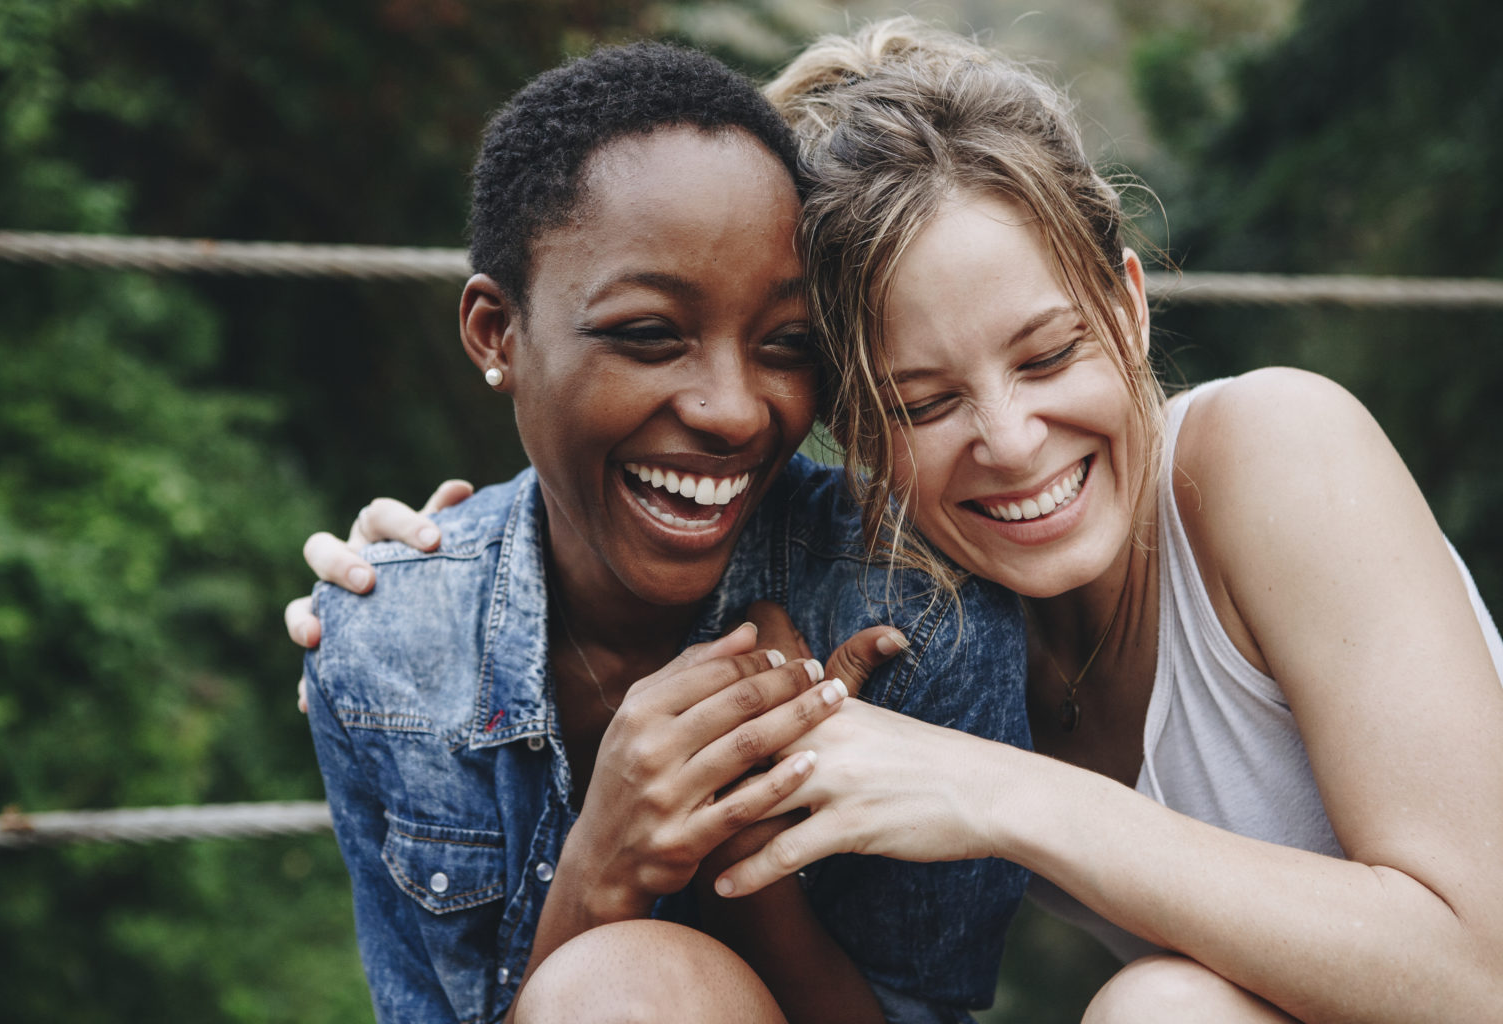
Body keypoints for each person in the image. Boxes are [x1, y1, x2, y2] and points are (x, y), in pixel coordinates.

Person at [303, 19, 1503, 1024]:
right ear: (853, 431)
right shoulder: (928, 610)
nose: (1014, 439)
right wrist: (439, 579)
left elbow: (1481, 966)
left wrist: (1012, 794)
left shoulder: (1273, 451)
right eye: (923, 401)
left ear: (1128, 307)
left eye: (1050, 354)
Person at [295, 39, 1029, 1024]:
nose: (733, 410)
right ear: (495, 333)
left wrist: (751, 853)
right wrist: (605, 862)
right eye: (649, 334)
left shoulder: (915, 614)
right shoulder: (387, 648)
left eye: (787, 345)